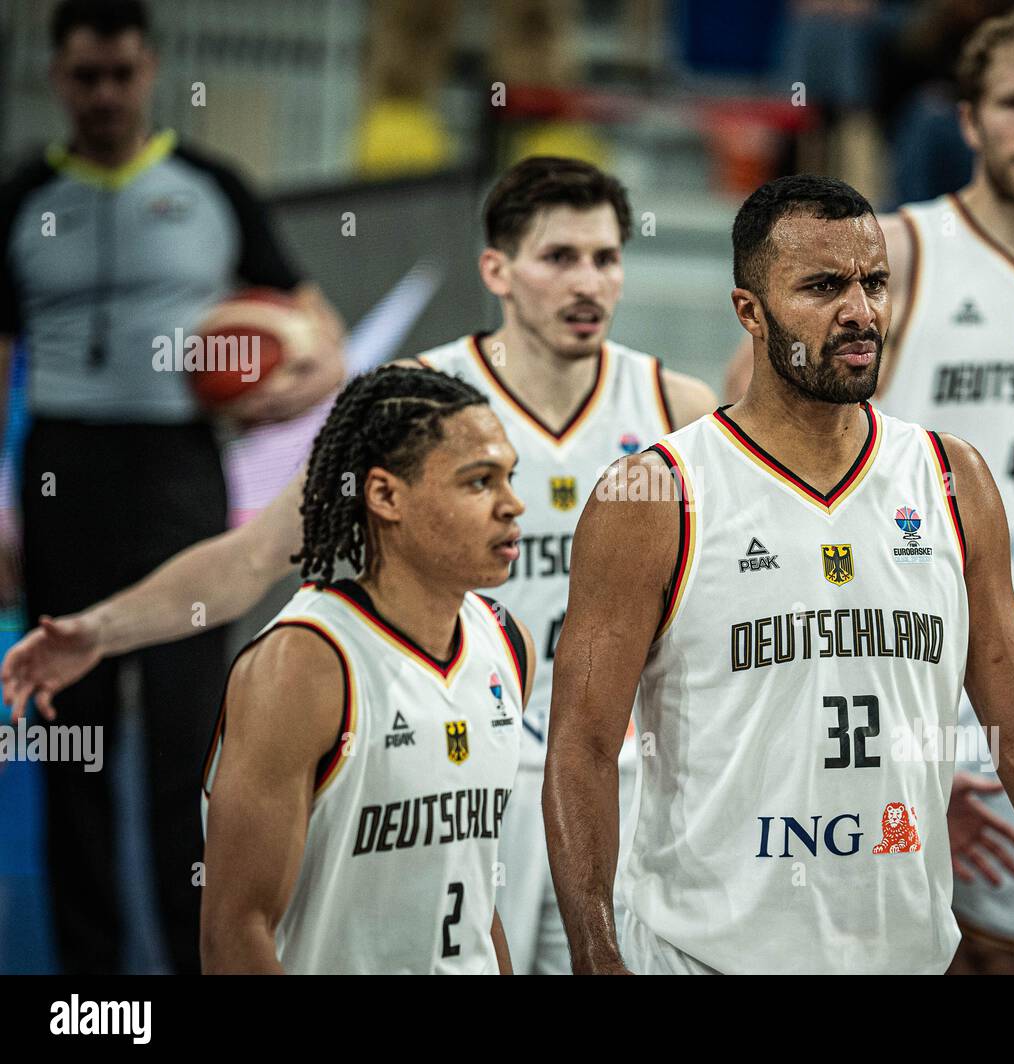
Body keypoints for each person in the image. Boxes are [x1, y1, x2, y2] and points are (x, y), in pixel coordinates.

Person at [2, 155, 718, 974]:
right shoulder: (417, 400)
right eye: (560, 257)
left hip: (604, 779)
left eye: (606, 257)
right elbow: (253, 556)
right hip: (446, 772)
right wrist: (99, 629)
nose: (588, 281)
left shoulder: (674, 411)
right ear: (498, 270)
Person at [543, 173, 1014, 976]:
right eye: (824, 286)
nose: (860, 311)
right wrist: (596, 958)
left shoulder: (951, 478)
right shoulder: (656, 496)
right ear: (749, 312)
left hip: (905, 955)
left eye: (874, 283)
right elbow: (582, 746)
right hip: (702, 957)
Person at [723, 8, 1014, 974]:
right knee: (865, 913)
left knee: (1005, 944)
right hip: (910, 633)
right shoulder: (895, 250)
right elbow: (755, 409)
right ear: (970, 120)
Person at [0, 0, 344, 974]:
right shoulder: (20, 196)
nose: (104, 94)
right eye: (84, 77)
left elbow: (321, 336)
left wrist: (295, 385)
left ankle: (196, 965)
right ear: (57, 78)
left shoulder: (211, 187)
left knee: (188, 746)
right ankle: (91, 985)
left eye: (121, 74)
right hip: (63, 472)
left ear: (149, 69)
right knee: (74, 741)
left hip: (179, 473)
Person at [201, 365, 530, 973]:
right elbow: (233, 933)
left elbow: (475, 898)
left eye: (510, 477)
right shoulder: (303, 664)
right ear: (384, 496)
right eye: (480, 482)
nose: (513, 505)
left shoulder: (507, 643)